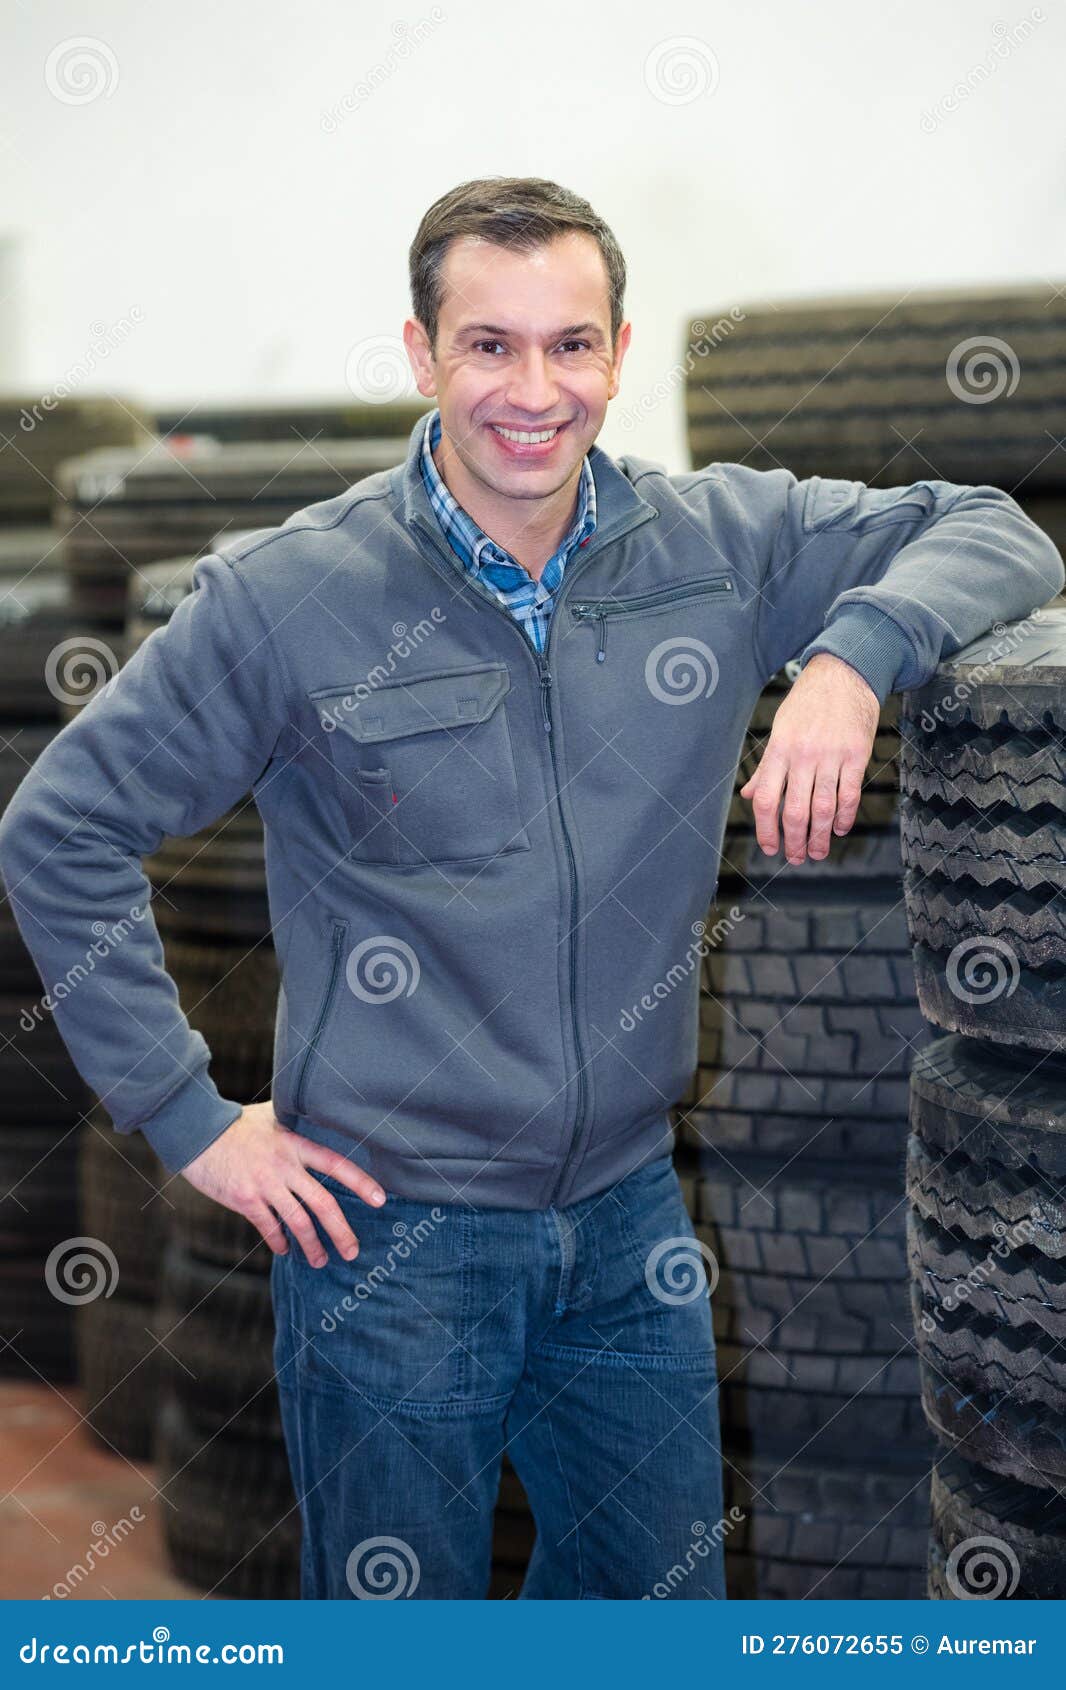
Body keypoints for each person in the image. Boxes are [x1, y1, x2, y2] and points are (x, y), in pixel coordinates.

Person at [0, 176, 1061, 1601]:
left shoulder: (716, 544)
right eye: (488, 344)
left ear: (619, 353)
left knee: (656, 1616)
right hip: (387, 1235)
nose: (532, 389)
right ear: (421, 354)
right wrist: (188, 1120)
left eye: (570, 344)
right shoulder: (291, 594)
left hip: (628, 1225)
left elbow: (996, 525)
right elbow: (59, 829)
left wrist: (851, 655)